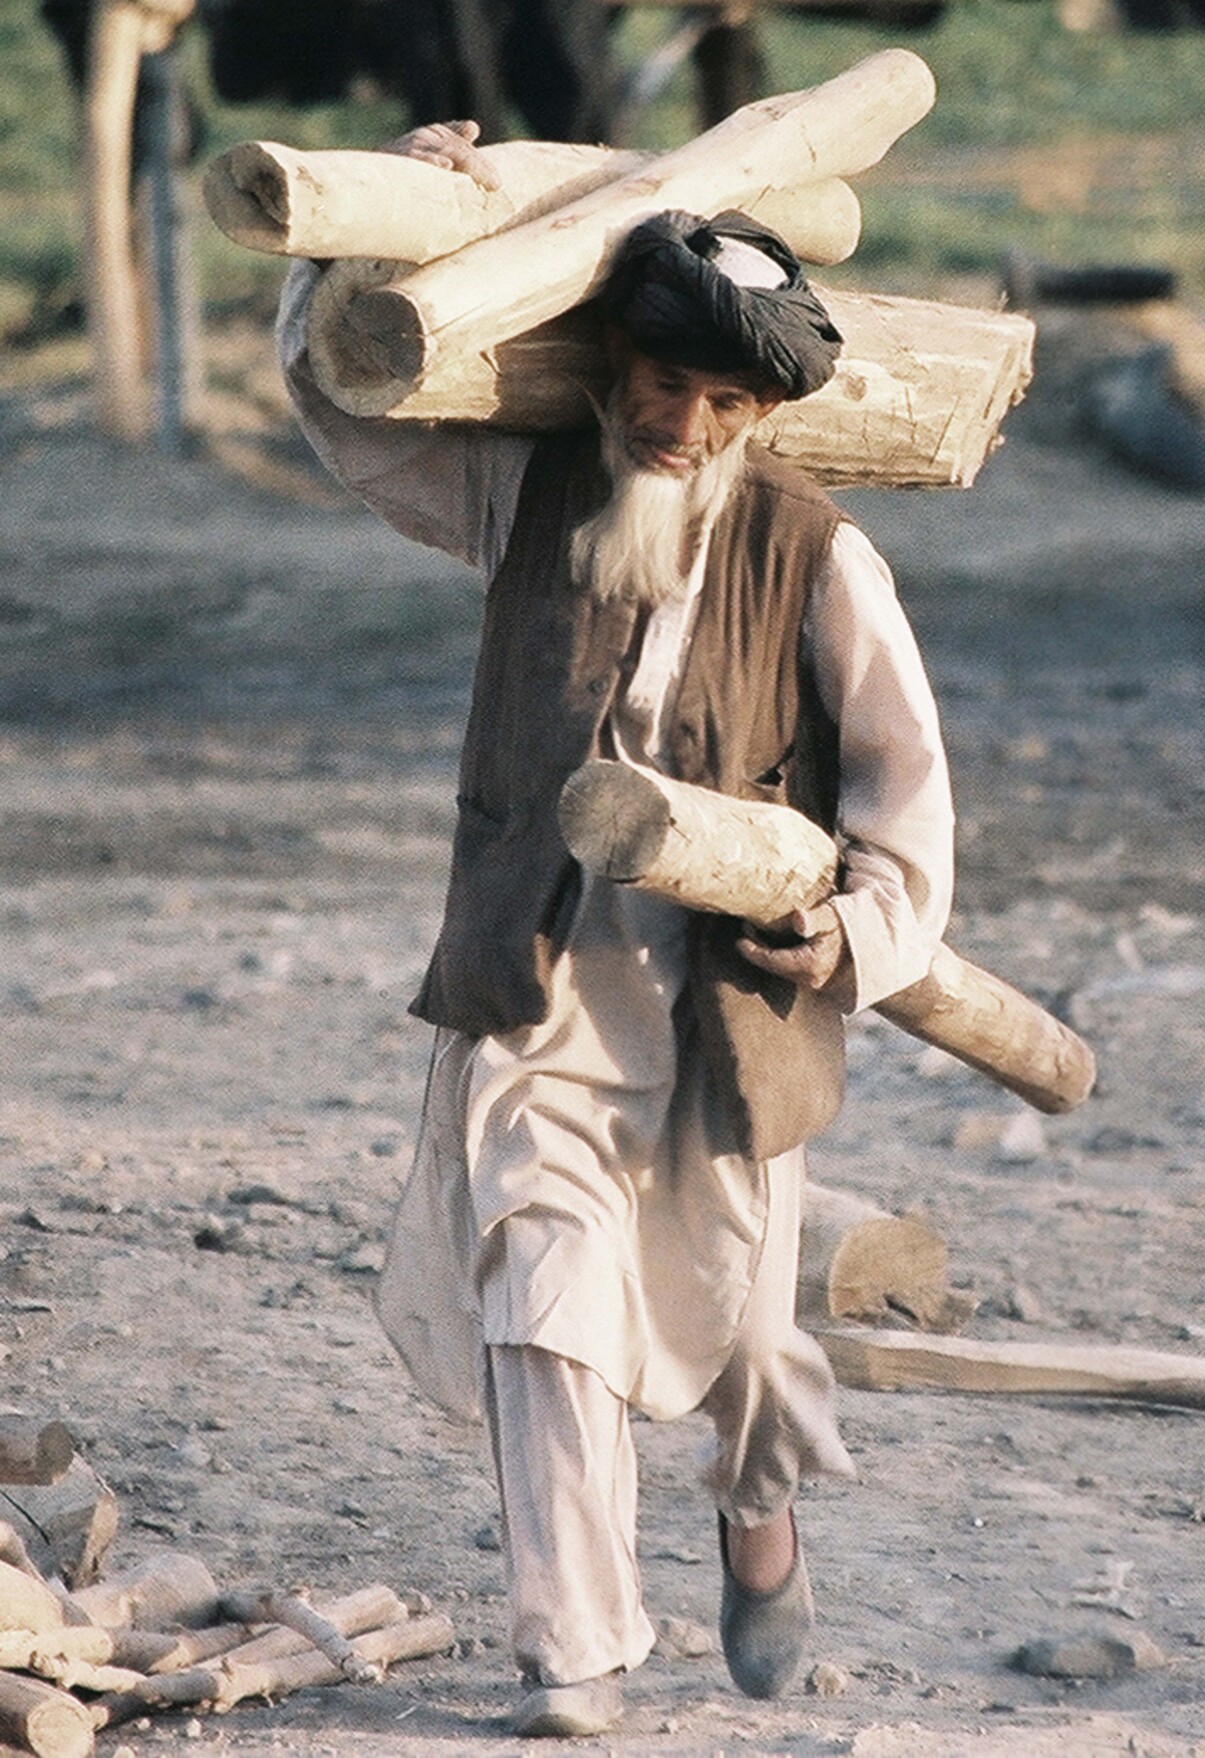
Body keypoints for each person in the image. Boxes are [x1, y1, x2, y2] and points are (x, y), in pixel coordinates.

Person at [277, 119, 956, 1740]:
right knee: (542, 1297)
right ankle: (574, 1649)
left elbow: (907, 794)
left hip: (726, 1011)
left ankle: (756, 1513)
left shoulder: (817, 548)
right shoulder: (524, 487)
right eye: (661, 379)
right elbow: (342, 406)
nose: (682, 418)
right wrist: (379, 227)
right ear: (614, 363)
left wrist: (860, 934)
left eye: (723, 401)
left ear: (764, 413)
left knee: (740, 1342)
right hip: (540, 988)